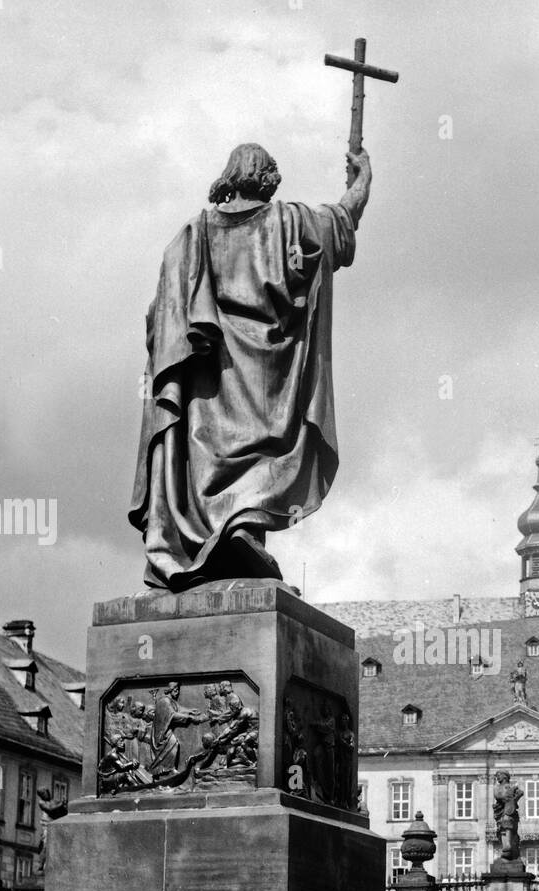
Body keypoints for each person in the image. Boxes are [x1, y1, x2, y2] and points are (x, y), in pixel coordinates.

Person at [130, 141, 373, 589]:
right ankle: (240, 532)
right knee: (260, 466)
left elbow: (159, 316)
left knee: (206, 460)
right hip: (267, 386)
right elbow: (339, 222)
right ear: (268, 178)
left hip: (208, 386)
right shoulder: (289, 221)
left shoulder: (192, 235)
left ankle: (218, 538)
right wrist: (361, 183)